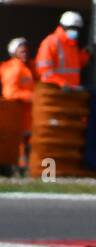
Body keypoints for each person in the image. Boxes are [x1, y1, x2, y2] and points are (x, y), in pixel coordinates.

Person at [1, 38, 35, 170]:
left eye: (26, 51)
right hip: (16, 115)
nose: (24, 53)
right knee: (18, 144)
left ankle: (24, 169)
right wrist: (31, 97)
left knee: (26, 143)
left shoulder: (26, 67)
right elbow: (10, 93)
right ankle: (18, 169)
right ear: (14, 52)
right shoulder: (13, 68)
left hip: (26, 114)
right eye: (21, 51)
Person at [35, 12, 90, 88]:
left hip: (71, 89)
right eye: (72, 28)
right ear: (63, 27)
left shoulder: (72, 44)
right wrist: (61, 83)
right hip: (55, 90)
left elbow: (76, 64)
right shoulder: (51, 42)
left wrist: (86, 54)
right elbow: (44, 70)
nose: (75, 31)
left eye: (77, 29)